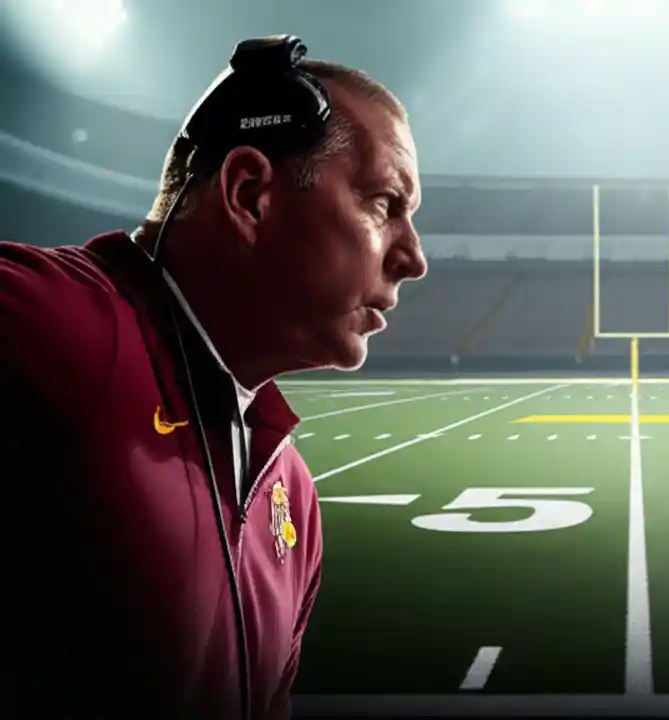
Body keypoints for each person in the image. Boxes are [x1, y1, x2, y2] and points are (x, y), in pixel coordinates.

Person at [1, 37, 426, 718]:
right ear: (250, 194)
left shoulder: (290, 492)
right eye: (384, 203)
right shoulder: (60, 329)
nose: (413, 257)